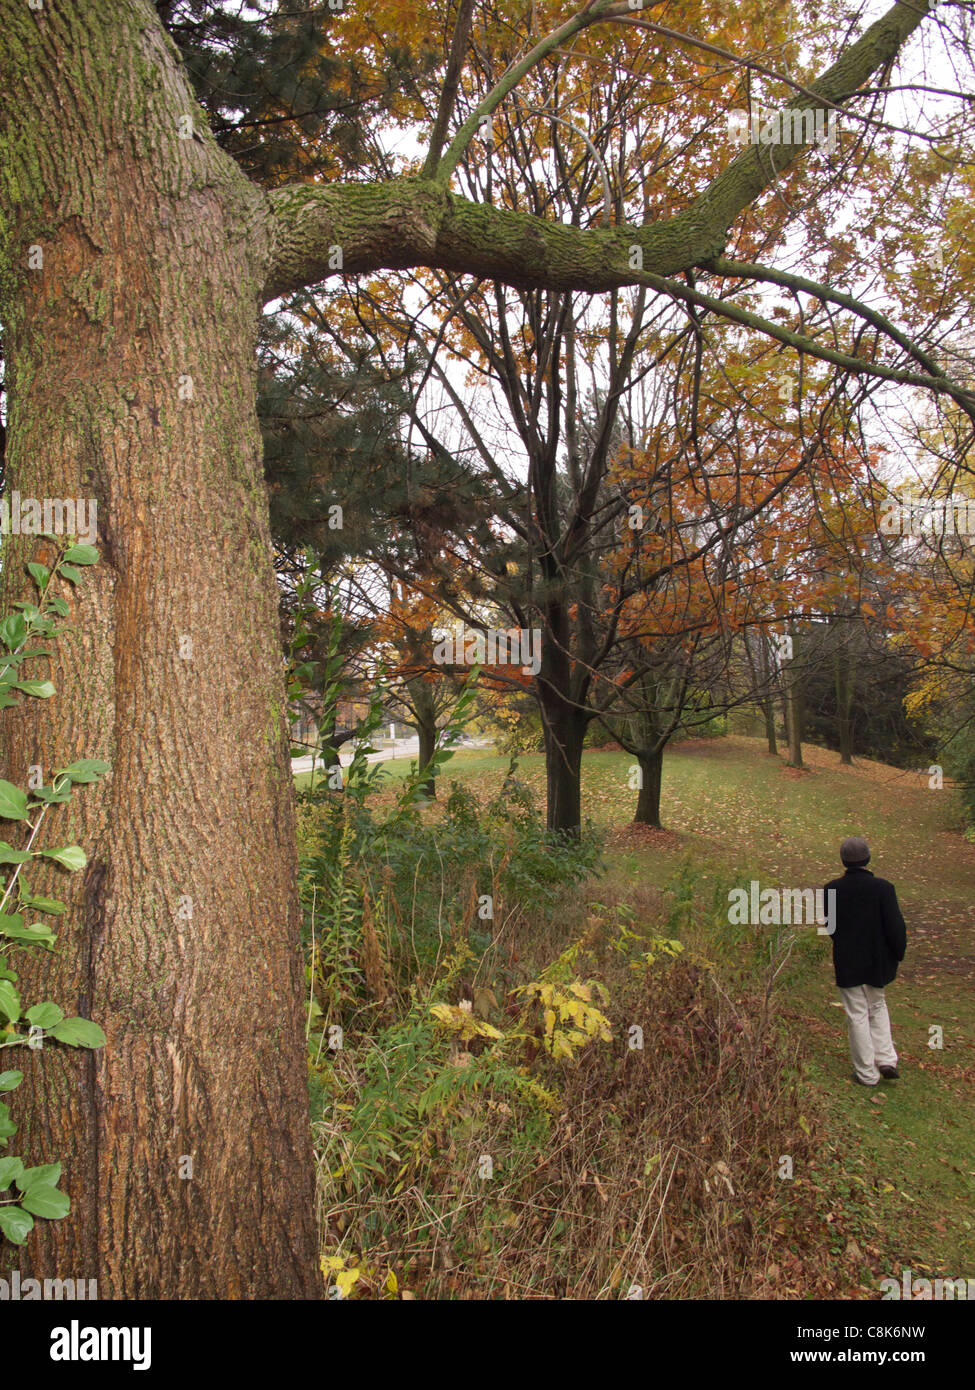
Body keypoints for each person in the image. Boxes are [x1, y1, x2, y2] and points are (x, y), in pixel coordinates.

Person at [826, 836, 907, 1087]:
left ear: (843, 861)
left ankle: (866, 1073)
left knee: (857, 1014)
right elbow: (895, 926)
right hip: (877, 959)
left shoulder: (831, 889)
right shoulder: (884, 888)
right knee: (877, 1005)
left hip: (848, 958)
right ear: (868, 858)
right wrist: (898, 952)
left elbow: (830, 927)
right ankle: (886, 1059)